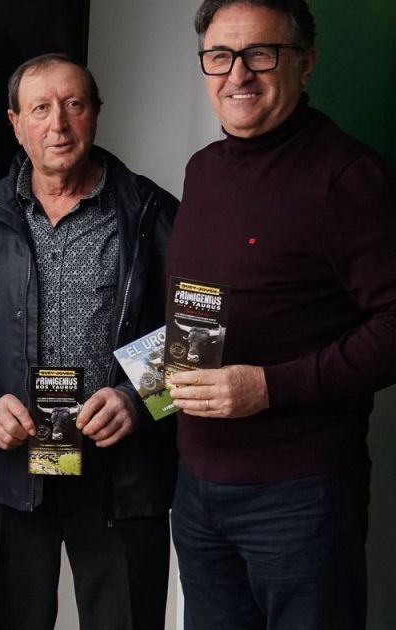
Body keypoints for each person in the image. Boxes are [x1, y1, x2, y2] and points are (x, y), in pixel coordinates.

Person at [167, 2, 396, 628]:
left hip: (300, 494)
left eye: (259, 54)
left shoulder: (349, 176)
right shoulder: (203, 169)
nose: (237, 74)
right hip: (197, 486)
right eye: (220, 57)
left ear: (306, 63)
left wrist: (269, 386)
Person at [0, 54, 179, 630]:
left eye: (74, 105)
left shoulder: (154, 211)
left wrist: (138, 400)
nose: (58, 124)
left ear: (95, 113)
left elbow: (198, 336)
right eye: (40, 109)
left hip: (123, 474)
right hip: (10, 468)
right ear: (14, 122)